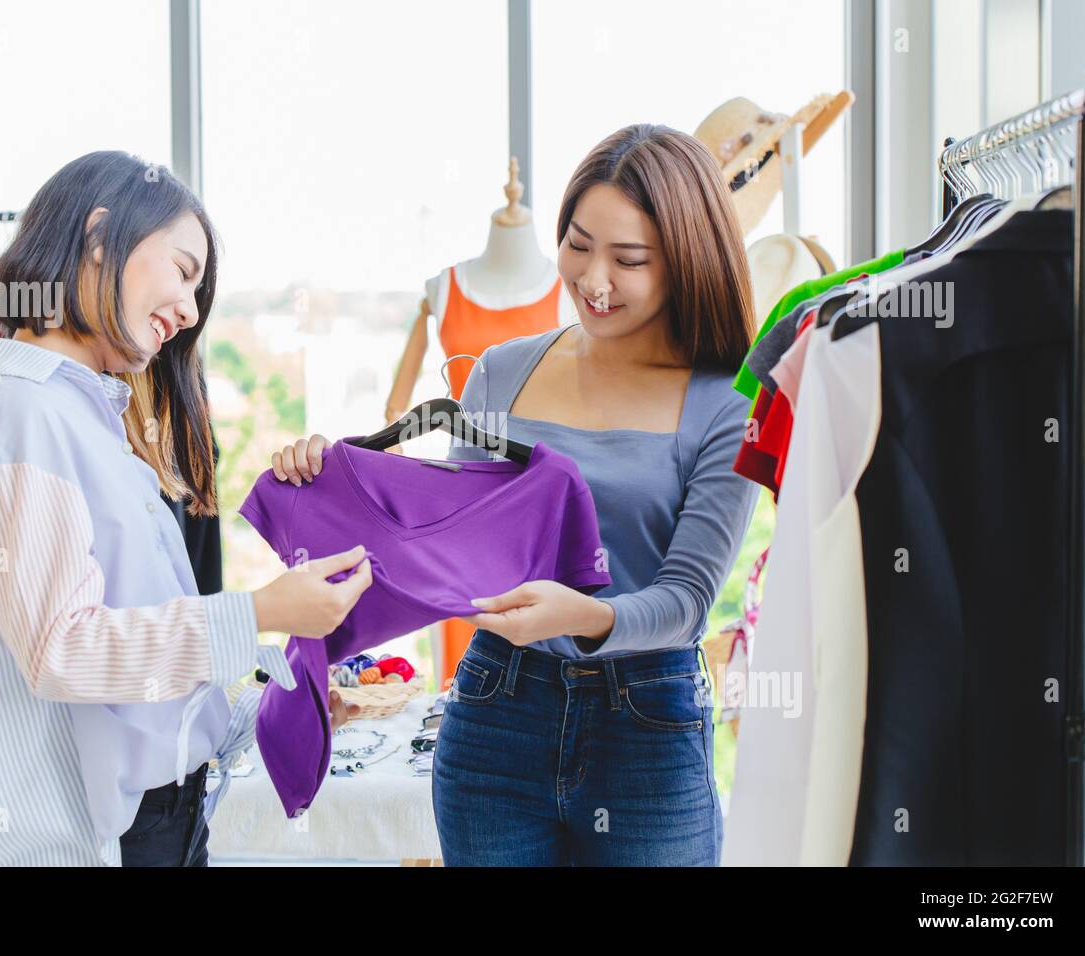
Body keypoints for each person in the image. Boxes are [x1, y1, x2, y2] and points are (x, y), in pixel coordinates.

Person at [272, 125, 759, 865]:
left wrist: (587, 616)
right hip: (498, 708)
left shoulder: (726, 405)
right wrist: (323, 477)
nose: (593, 280)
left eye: (629, 260)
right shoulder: (502, 373)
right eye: (578, 244)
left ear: (685, 262)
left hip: (647, 727)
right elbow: (454, 536)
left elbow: (688, 599)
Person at [0, 150, 371, 867]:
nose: (191, 311)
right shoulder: (22, 415)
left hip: (161, 825)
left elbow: (132, 681)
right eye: (184, 271)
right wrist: (260, 613)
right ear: (100, 236)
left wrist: (279, 705)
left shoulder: (90, 421)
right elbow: (65, 653)